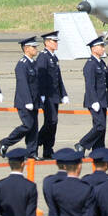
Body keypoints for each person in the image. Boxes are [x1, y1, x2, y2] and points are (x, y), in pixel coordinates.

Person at [0, 37, 41, 157]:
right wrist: (28, 101)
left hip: (34, 100)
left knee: (33, 128)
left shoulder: (33, 63)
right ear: (26, 49)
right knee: (27, 125)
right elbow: (23, 84)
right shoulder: (22, 65)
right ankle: (6, 142)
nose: (36, 49)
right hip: (24, 102)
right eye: (33, 47)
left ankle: (32, 153)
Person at [36, 31, 69, 160]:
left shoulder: (53, 57)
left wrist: (63, 94)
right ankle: (36, 142)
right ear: (47, 42)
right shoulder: (43, 57)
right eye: (54, 41)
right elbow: (41, 78)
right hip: (47, 95)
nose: (56, 44)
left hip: (54, 94)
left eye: (56, 41)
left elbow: (58, 78)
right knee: (51, 120)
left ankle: (48, 149)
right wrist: (42, 95)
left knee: (53, 123)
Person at [78, 36, 108, 153]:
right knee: (99, 126)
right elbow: (90, 85)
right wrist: (94, 101)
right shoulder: (90, 64)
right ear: (93, 48)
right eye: (101, 46)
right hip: (94, 100)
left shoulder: (101, 63)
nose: (103, 49)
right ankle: (82, 144)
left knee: (102, 127)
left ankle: (98, 150)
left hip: (103, 99)